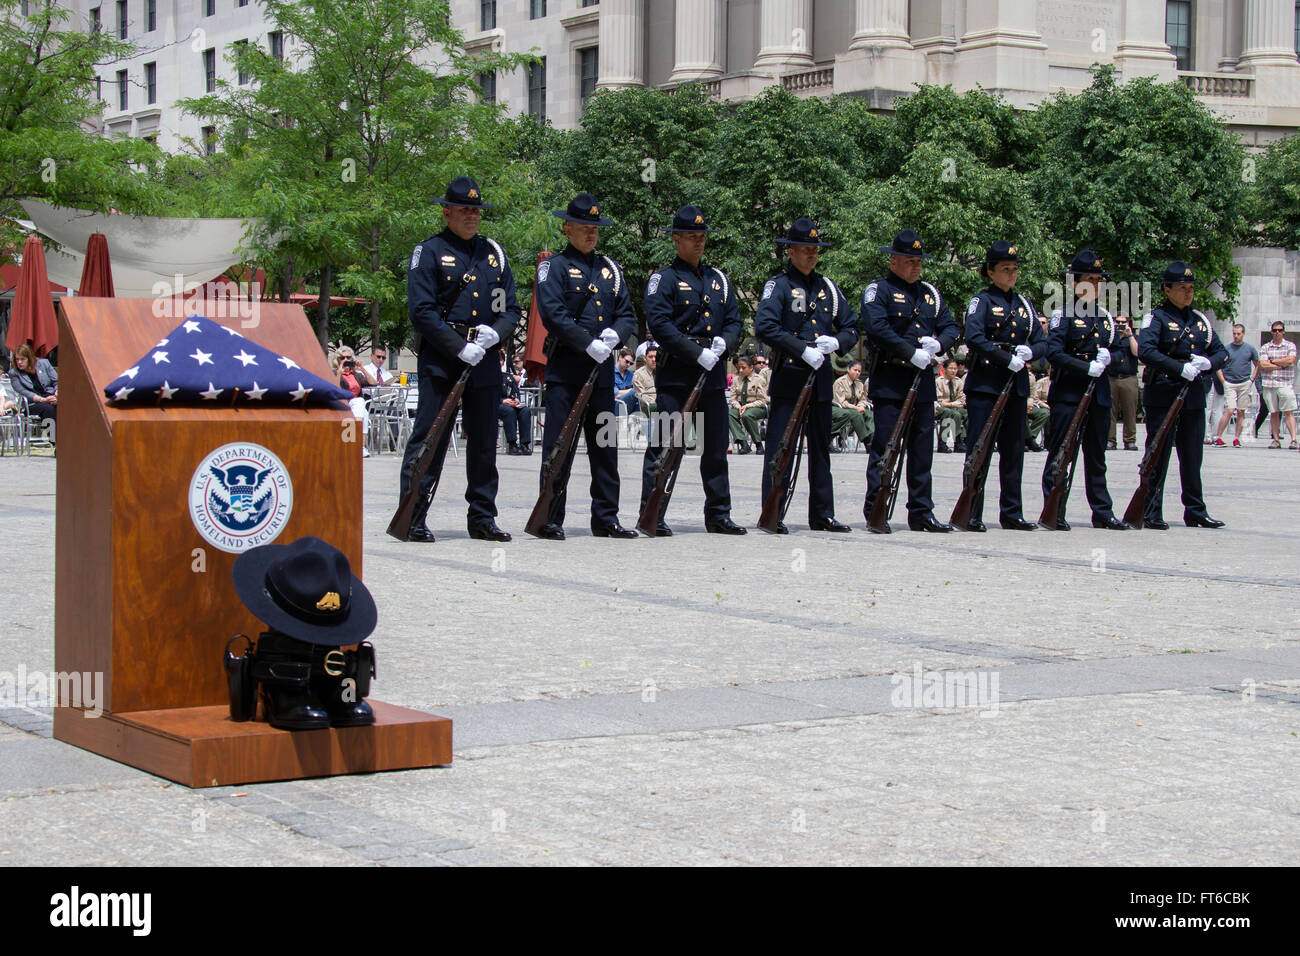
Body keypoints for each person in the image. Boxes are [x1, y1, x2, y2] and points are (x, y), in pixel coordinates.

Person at [402, 175, 521, 543]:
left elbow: (509, 309)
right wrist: (458, 345)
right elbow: (421, 311)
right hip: (443, 358)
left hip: (483, 359)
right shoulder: (431, 251)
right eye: (465, 210)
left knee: (485, 441)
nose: (472, 216)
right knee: (430, 437)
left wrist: (496, 333)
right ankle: (413, 514)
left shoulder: (493, 255)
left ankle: (482, 517)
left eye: (477, 210)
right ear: (447, 211)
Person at [533, 192, 638, 540]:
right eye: (583, 227)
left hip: (603, 374)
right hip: (568, 369)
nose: (591, 233)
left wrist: (614, 336)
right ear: (567, 228)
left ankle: (606, 517)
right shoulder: (554, 267)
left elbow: (627, 314)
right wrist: (586, 341)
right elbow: (553, 313)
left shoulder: (611, 269)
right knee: (559, 447)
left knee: (605, 449)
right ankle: (549, 516)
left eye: (595, 227)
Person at [639, 205, 746, 535]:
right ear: (676, 239)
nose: (699, 242)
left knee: (715, 448)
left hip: (711, 372)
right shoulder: (664, 279)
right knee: (666, 446)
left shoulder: (719, 280)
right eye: (691, 237)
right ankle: (651, 512)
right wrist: (694, 352)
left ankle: (718, 513)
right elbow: (659, 323)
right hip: (677, 374)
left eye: (702, 237)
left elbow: (734, 320)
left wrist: (722, 345)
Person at [755, 217, 858, 533]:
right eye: (805, 248)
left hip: (821, 377)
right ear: (791, 251)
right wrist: (801, 348)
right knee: (780, 446)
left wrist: (837, 342)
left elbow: (852, 325)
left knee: (820, 447)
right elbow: (765, 326)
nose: (812, 254)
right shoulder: (779, 286)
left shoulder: (828, 287)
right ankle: (772, 512)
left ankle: (822, 513)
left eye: (815, 249)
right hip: (791, 374)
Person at [861, 228, 958, 533]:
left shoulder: (930, 293)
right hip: (892, 379)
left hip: (923, 382)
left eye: (919, 261)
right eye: (909, 260)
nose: (916, 266)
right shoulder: (879, 290)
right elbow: (876, 327)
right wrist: (909, 351)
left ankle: (921, 512)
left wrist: (938, 344)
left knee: (921, 451)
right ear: (893, 261)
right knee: (885, 447)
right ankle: (876, 507)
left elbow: (952, 326)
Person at [960, 240, 1045, 531]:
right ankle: (971, 510)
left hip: (1016, 385)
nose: (1012, 274)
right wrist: (1003, 357)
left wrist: (1031, 352)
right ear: (990, 271)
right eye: (1005, 269)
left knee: (1013, 451)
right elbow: (974, 337)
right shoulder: (981, 301)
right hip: (986, 384)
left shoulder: (1024, 304)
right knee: (979, 450)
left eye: (1014, 269)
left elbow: (1041, 339)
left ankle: (1012, 512)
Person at [1041, 249, 1129, 531]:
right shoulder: (1062, 314)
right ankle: (1054, 510)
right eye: (1089, 279)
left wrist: (1109, 359)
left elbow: (1117, 350)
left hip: (1099, 395)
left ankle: (1102, 511)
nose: (1094, 284)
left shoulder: (1104, 317)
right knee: (1061, 454)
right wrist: (1084, 366)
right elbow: (1053, 352)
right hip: (1069, 394)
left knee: (1096, 457)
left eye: (1098, 279)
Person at [1137, 261, 1228, 529]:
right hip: (1164, 394)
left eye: (1191, 288)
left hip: (1193, 397)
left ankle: (1195, 509)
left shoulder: (1200, 320)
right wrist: (1179, 368)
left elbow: (1221, 352)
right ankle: (1151, 509)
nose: (1188, 293)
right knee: (1158, 453)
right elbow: (1147, 351)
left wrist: (1208, 364)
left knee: (1192, 456)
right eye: (1182, 288)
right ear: (1167, 289)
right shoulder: (1156, 318)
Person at [1212, 323, 1259, 447]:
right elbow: (1218, 366)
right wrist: (1224, 382)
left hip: (1244, 383)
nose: (1236, 336)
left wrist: (1251, 379)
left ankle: (1236, 438)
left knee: (1241, 411)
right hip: (1230, 384)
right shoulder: (1227, 349)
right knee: (1229, 409)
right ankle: (1218, 436)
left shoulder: (1250, 349)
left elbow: (1257, 364)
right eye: (1234, 333)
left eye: (1238, 334)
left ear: (1243, 334)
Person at [1257, 321, 1297, 448]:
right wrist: (1281, 364)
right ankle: (1276, 439)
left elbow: (1290, 360)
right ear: (1271, 332)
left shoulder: (1290, 346)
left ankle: (1294, 440)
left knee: (1288, 411)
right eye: (1275, 330)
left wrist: (1272, 361)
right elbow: (1263, 364)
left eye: (1280, 330)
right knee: (1273, 412)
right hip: (1269, 383)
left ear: (1284, 331)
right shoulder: (1265, 347)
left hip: (1285, 383)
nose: (1277, 333)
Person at [1106, 315, 1140, 451]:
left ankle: (1130, 440)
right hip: (1112, 377)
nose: (1120, 324)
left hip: (1128, 378)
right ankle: (1110, 440)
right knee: (1110, 411)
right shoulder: (1110, 337)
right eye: (1117, 322)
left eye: (1123, 322)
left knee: (1130, 411)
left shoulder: (1133, 337)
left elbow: (1137, 352)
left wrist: (1130, 335)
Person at [334, 345, 375, 458]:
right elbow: (334, 388)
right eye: (343, 358)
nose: (346, 360)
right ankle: (358, 447)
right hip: (342, 404)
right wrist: (339, 371)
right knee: (360, 403)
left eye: (348, 357)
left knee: (363, 409)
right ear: (338, 360)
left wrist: (362, 368)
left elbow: (373, 382)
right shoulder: (335, 372)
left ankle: (359, 447)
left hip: (356, 405)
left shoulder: (356, 374)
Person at [8, 343, 58, 434]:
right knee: (48, 409)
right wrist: (43, 400)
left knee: (65, 406)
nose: (19, 362)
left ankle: (68, 438)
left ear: (30, 359)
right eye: (17, 359)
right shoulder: (14, 374)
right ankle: (55, 440)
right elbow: (24, 392)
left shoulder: (44, 363)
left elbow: (57, 381)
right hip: (32, 403)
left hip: (51, 396)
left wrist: (57, 394)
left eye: (22, 359)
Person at [728, 353, 768, 454]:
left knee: (747, 415)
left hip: (756, 406)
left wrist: (747, 406)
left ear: (751, 368)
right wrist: (739, 407)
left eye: (743, 368)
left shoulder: (759, 379)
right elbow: (732, 398)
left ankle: (758, 444)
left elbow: (763, 400)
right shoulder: (736, 379)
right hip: (740, 406)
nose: (740, 370)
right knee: (730, 414)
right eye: (739, 367)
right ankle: (743, 443)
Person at [831, 359, 872, 451]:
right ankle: (867, 442)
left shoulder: (859, 383)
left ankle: (871, 437)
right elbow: (841, 402)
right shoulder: (840, 382)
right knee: (856, 415)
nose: (857, 373)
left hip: (856, 408)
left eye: (859, 371)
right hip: (843, 408)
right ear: (848, 369)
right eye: (855, 370)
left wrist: (861, 406)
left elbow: (862, 398)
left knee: (869, 414)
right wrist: (856, 407)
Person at [497, 350, 532, 454]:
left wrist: (515, 399)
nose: (499, 362)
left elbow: (515, 392)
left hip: (510, 404)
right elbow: (487, 396)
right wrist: (503, 401)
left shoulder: (508, 377)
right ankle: (512, 444)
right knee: (509, 411)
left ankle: (524, 444)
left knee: (525, 410)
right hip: (496, 405)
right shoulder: (489, 377)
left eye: (501, 360)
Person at [934, 359, 967, 454]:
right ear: (944, 369)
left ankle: (964, 440)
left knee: (966, 414)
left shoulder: (958, 381)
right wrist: (953, 404)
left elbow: (961, 399)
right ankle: (943, 442)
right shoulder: (939, 381)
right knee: (952, 413)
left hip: (952, 406)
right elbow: (939, 401)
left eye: (955, 368)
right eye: (951, 368)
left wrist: (950, 404)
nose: (953, 371)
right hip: (940, 408)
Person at [1027, 371, 1050, 452]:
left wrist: (1029, 403)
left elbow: (1032, 395)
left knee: (1045, 413)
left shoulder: (1031, 377)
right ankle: (1029, 439)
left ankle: (1031, 438)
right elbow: (1037, 399)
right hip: (1040, 404)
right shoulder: (1042, 382)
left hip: (1030, 404)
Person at [633, 346, 658, 416]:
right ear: (645, 358)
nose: (653, 359)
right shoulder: (639, 374)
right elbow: (641, 395)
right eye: (650, 357)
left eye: (655, 357)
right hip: (648, 405)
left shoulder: (663, 372)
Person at [613, 348, 636, 414]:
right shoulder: (610, 373)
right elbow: (616, 394)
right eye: (627, 361)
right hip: (616, 405)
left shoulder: (631, 374)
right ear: (620, 357)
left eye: (631, 364)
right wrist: (632, 390)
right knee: (635, 391)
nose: (628, 365)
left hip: (630, 405)